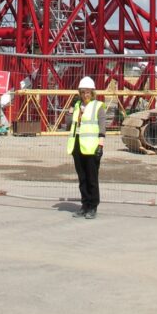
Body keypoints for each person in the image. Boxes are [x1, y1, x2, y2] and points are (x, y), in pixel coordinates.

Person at [67, 75, 106, 219]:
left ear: (93, 92)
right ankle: (84, 205)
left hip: (92, 148)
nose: (85, 95)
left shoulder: (98, 106)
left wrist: (100, 146)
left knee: (92, 179)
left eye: (88, 92)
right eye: (83, 92)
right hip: (77, 146)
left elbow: (102, 127)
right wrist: (71, 109)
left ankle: (93, 206)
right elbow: (68, 124)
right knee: (82, 178)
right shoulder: (77, 106)